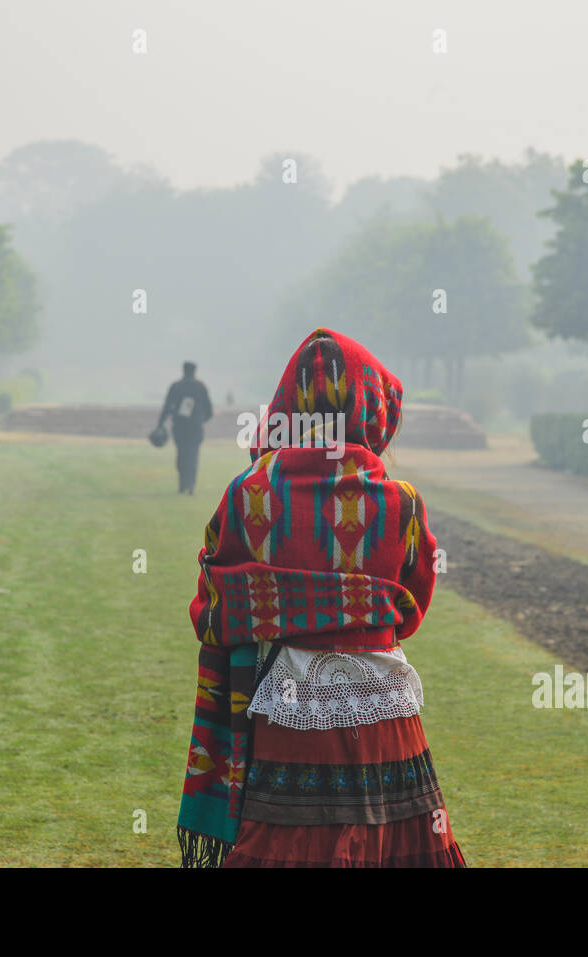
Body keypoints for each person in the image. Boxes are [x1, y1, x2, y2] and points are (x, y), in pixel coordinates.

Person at [176, 328, 466, 868]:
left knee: (285, 846)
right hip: (384, 714)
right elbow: (411, 610)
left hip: (287, 712)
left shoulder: (247, 494)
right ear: (370, 410)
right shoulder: (402, 504)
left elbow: (211, 604)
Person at [157, 361, 213, 494]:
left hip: (180, 427)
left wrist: (160, 424)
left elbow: (166, 407)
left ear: (183, 370)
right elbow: (209, 411)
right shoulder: (200, 387)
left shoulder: (176, 386)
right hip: (195, 428)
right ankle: (191, 486)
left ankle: (182, 485)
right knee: (193, 456)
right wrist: (200, 420)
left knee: (181, 456)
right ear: (194, 371)